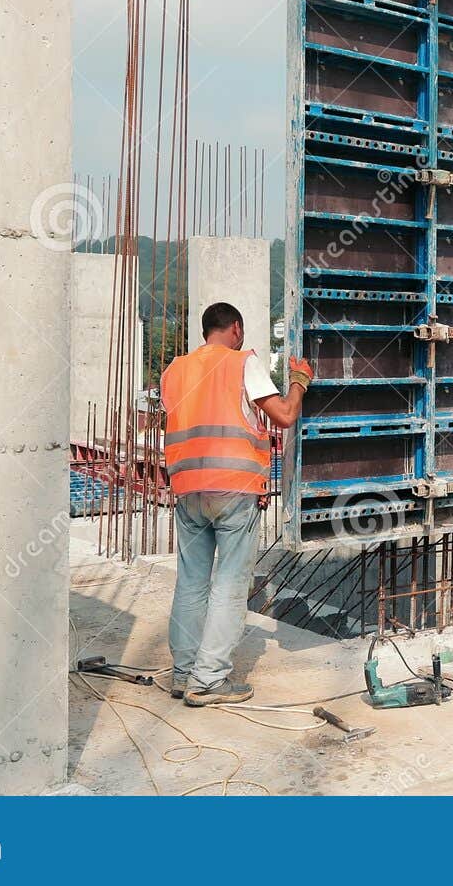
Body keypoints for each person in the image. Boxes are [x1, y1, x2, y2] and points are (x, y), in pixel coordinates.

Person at [160, 302, 313, 706]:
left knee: (191, 584)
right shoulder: (240, 363)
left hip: (187, 489)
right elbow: (282, 415)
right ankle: (208, 681)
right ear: (236, 329)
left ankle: (183, 673)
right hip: (234, 489)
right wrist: (299, 381)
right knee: (229, 587)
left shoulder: (174, 371)